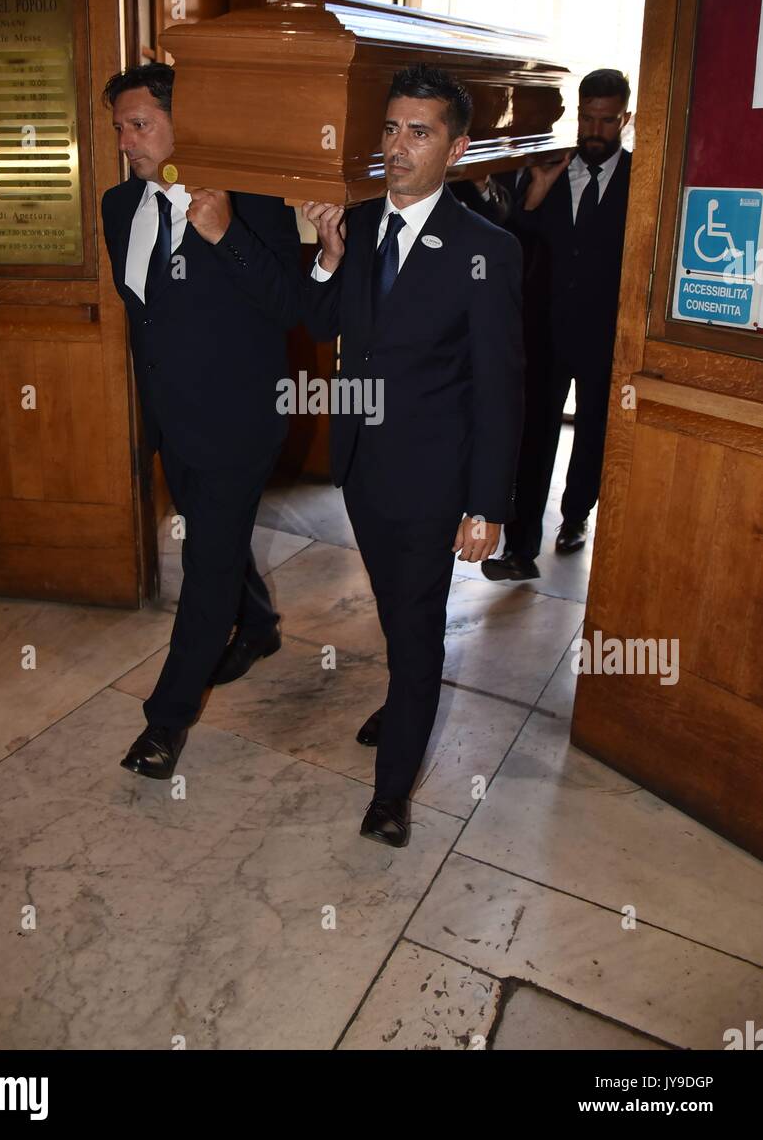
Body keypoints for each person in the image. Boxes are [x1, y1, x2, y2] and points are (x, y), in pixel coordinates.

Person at [304, 63, 524, 848]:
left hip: (434, 476)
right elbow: (326, 316)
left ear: (456, 148)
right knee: (398, 610)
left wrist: (488, 503)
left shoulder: (484, 251)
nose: (398, 147)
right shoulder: (361, 225)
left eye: (419, 133)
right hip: (362, 466)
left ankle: (391, 795)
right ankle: (402, 696)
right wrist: (327, 254)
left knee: (420, 626)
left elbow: (500, 388)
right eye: (392, 128)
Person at [100, 62, 302, 779]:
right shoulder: (118, 208)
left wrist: (225, 238)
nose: (128, 139)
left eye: (141, 124)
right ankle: (264, 625)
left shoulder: (250, 201)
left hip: (241, 422)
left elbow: (292, 306)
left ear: (184, 123)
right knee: (218, 539)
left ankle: (165, 722)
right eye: (121, 126)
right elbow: (147, 320)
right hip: (172, 423)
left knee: (206, 564)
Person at [482, 68, 632, 581]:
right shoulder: (546, 171)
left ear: (624, 118)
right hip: (542, 333)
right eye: (587, 117)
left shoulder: (641, 178)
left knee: (593, 432)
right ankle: (520, 547)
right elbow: (512, 252)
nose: (595, 129)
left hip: (604, 336)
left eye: (607, 120)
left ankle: (575, 517)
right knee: (533, 436)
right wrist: (533, 199)